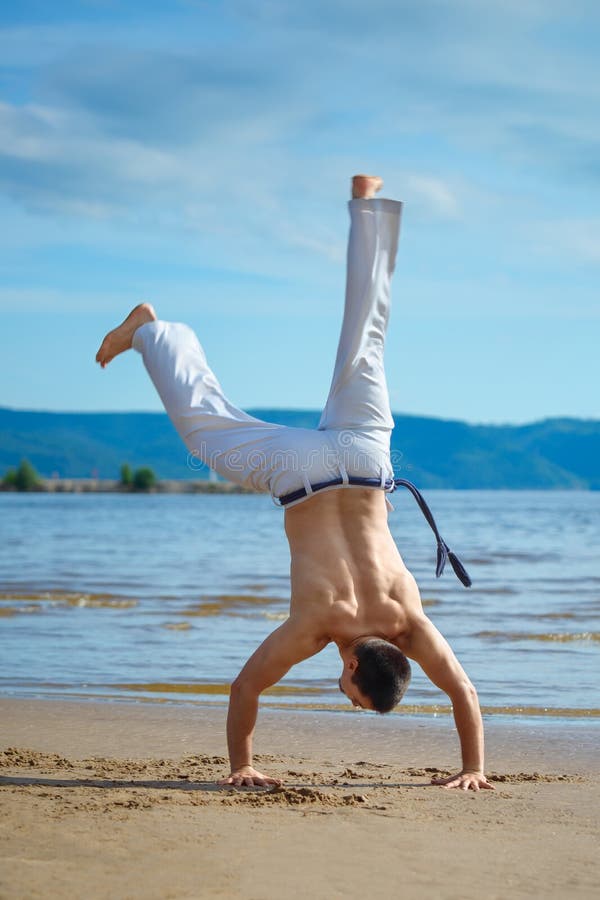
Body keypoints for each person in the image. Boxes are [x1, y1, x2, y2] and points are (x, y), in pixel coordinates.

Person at [96, 175, 494, 792]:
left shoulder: (410, 622)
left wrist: (475, 769)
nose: (342, 692)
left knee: (368, 338)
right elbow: (245, 687)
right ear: (356, 663)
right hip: (298, 473)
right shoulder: (317, 625)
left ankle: (370, 205)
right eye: (351, 693)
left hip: (365, 460)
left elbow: (463, 691)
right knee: (206, 432)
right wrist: (242, 767)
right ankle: (152, 332)